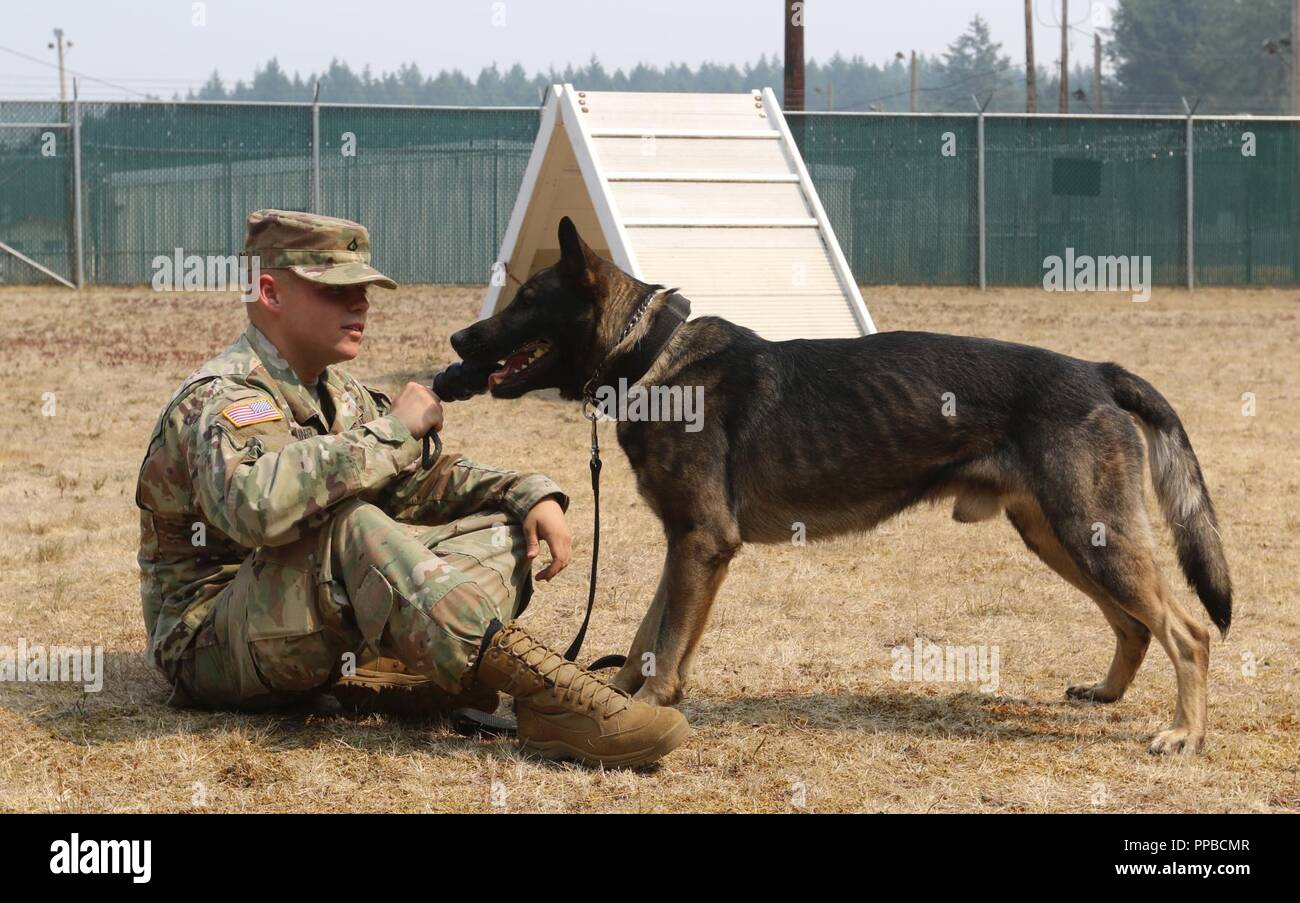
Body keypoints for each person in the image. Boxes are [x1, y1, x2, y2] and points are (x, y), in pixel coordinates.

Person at [135, 209, 689, 767]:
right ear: (271, 294)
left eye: (364, 289)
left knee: (502, 533)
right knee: (353, 527)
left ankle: (401, 672)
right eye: (336, 290)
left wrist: (525, 491)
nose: (360, 304)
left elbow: (419, 479)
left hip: (297, 627)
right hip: (211, 642)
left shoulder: (338, 393)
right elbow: (256, 508)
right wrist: (395, 430)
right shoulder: (222, 397)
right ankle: (548, 697)